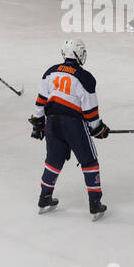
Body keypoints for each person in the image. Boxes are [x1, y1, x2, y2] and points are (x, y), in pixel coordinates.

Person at [29, 39, 108, 219]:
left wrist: (38, 123)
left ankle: (44, 197)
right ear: (80, 55)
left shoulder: (50, 72)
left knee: (53, 161)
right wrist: (98, 129)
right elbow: (90, 111)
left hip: (52, 122)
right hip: (73, 124)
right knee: (90, 162)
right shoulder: (85, 77)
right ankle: (95, 203)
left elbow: (40, 101)